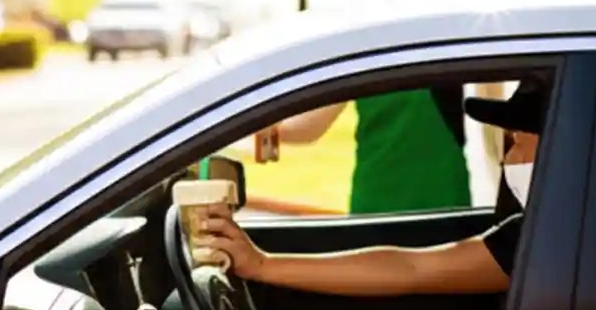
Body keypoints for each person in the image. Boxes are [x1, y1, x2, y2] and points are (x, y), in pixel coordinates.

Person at [198, 79, 547, 297]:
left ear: (557, 150)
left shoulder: (547, 244)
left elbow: (413, 271)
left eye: (517, 141)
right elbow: (409, 268)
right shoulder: (534, 238)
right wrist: (261, 264)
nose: (507, 157)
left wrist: (261, 265)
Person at [270, 0, 472, 213]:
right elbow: (309, 126)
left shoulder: (465, 33)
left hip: (449, 209)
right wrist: (253, 129)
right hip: (379, 211)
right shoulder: (363, 42)